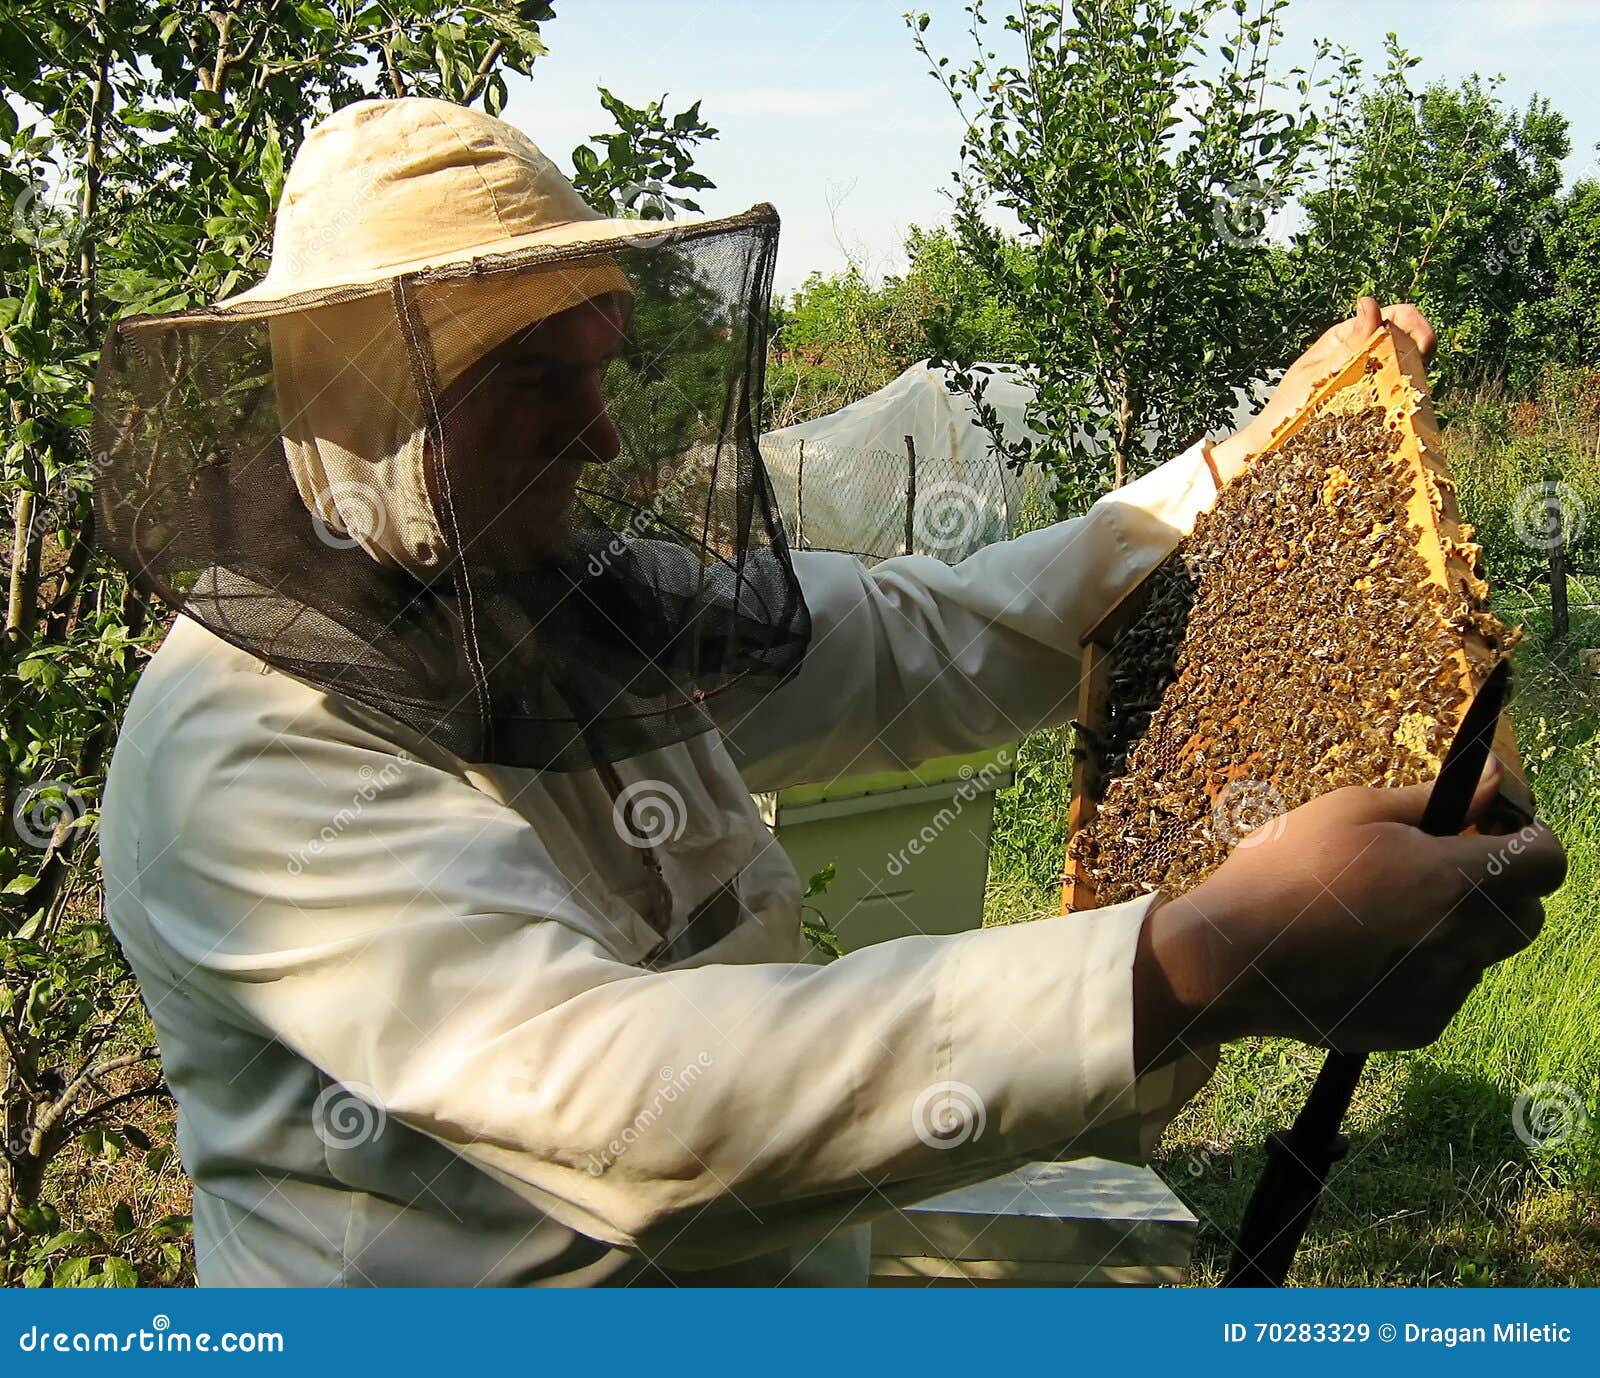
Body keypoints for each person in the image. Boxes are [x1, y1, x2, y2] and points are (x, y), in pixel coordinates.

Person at [95, 98, 1565, 1287]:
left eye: (603, 369)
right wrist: (1213, 954)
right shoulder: (245, 753)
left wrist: (1241, 481)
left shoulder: (540, 586)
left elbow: (931, 635)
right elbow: (624, 1108)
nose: (604, 437)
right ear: (377, 401)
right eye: (543, 382)